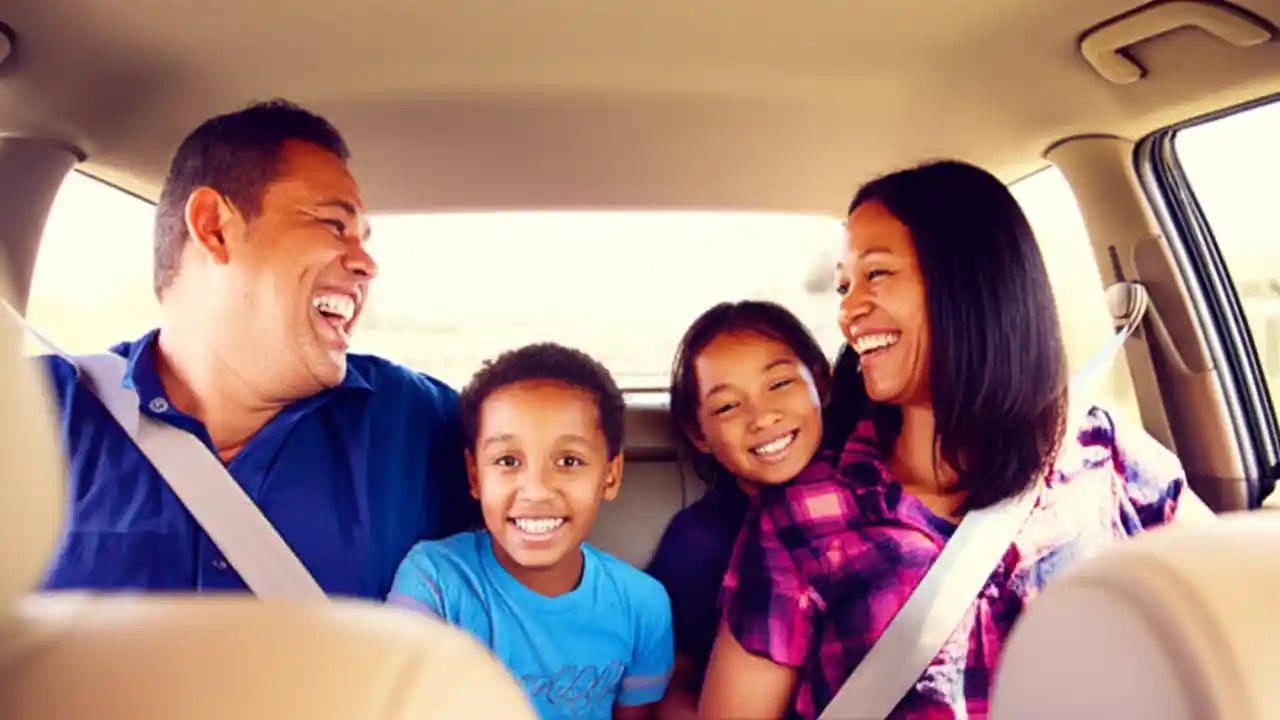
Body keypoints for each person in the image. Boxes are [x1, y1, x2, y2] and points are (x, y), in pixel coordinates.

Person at [699, 160, 1203, 719]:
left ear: (970, 279)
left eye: (877, 275)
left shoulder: (1101, 451)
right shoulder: (805, 514)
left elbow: (1239, 594)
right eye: (845, 285)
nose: (847, 310)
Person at [39, 99, 477, 598]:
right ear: (214, 226)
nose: (366, 263)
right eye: (334, 225)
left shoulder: (420, 426)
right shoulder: (30, 413)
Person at [387, 343, 674, 720]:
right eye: (508, 461)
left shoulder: (643, 606)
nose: (537, 490)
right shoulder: (434, 580)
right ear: (475, 475)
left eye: (568, 461)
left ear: (611, 474)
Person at [645, 301, 834, 717]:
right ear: (698, 433)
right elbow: (673, 679)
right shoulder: (698, 542)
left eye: (780, 383)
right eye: (728, 406)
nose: (762, 417)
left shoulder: (874, 492)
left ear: (820, 383)